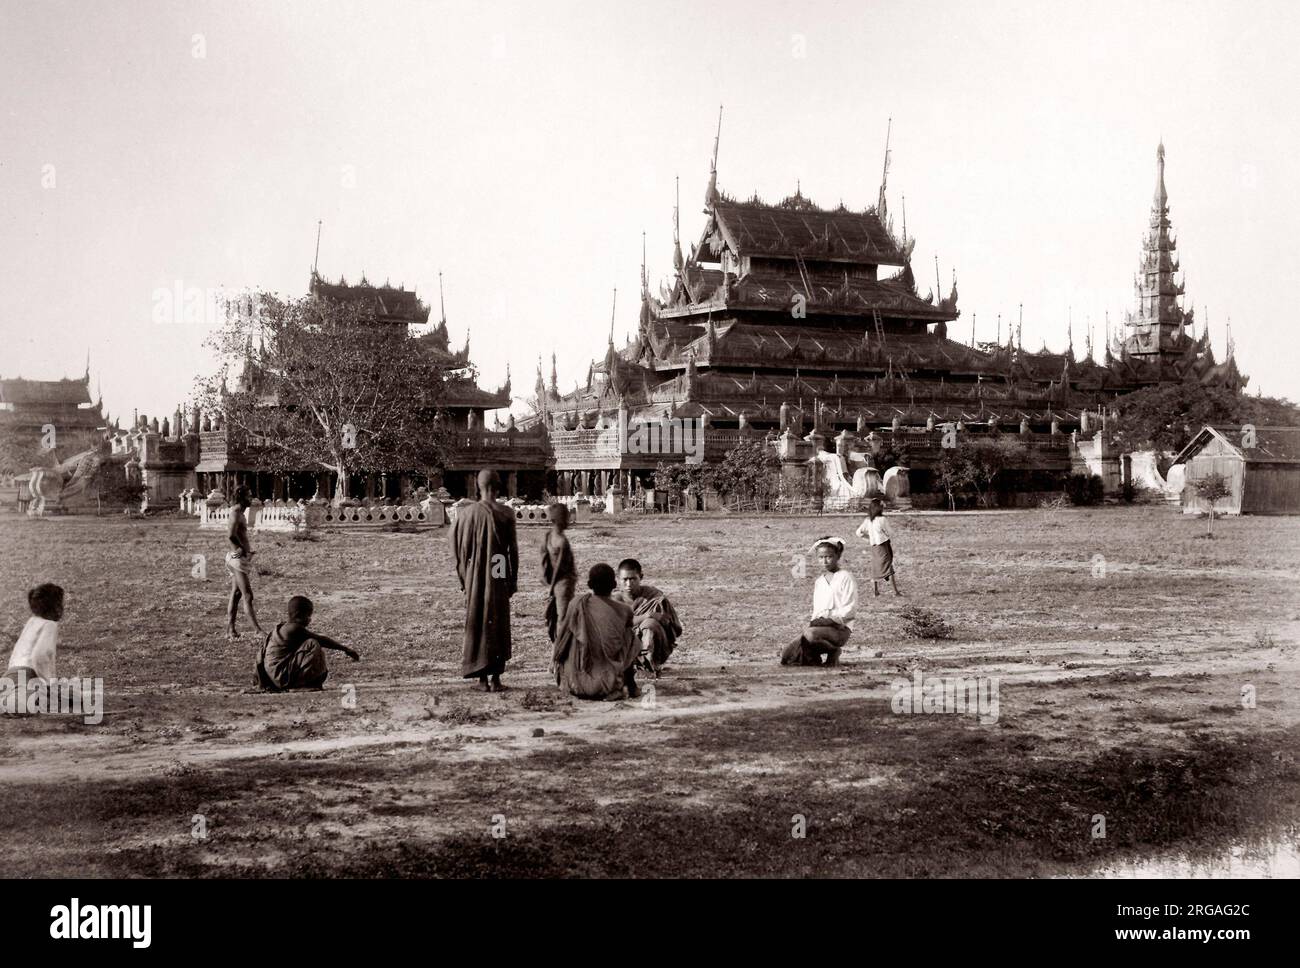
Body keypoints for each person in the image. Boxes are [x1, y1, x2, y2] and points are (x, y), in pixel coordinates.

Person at [450, 469, 519, 692]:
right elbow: (512, 552)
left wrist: (464, 579)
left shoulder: (466, 514)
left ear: (477, 487)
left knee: (479, 618)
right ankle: (496, 679)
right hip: (497, 568)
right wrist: (511, 580)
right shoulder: (506, 513)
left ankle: (482, 680)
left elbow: (460, 552)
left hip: (475, 573)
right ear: (498, 487)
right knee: (497, 619)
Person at [553, 563, 640, 700]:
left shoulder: (576, 604)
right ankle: (631, 685)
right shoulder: (624, 611)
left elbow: (561, 643)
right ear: (614, 584)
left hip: (574, 684)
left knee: (571, 635)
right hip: (607, 684)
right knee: (633, 639)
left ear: (589, 584)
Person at [780, 537, 857, 667]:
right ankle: (814, 655)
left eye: (829, 556)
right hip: (821, 628)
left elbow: (850, 610)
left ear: (838, 556)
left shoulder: (846, 577)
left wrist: (830, 620)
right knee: (787, 654)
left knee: (810, 635)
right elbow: (817, 610)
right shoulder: (819, 582)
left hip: (839, 629)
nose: (825, 561)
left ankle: (834, 651)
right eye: (821, 557)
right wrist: (815, 622)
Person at [256, 595, 360, 691]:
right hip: (281, 677)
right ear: (300, 615)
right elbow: (322, 640)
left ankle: (298, 682)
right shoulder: (294, 628)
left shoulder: (282, 627)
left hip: (274, 677)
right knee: (312, 644)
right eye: (308, 615)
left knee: (307, 645)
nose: (310, 619)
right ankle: (302, 684)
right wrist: (345, 649)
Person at [614, 558, 682, 676]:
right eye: (625, 579)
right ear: (618, 579)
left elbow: (674, 627)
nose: (629, 584)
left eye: (633, 579)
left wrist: (662, 620)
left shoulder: (654, 596)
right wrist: (648, 615)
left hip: (653, 645)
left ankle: (649, 665)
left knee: (650, 624)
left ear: (641, 577)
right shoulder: (613, 601)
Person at [4, 583, 64, 685]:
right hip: (27, 678)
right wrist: (47, 683)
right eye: (60, 604)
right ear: (55, 607)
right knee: (71, 699)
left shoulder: (32, 622)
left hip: (8, 676)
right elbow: (39, 656)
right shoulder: (49, 624)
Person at [226, 485, 265, 640]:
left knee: (236, 594)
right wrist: (242, 549)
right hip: (237, 558)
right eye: (248, 496)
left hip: (240, 558)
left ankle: (230, 630)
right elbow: (230, 535)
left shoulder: (241, 512)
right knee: (247, 595)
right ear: (241, 497)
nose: (251, 498)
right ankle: (257, 630)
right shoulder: (236, 512)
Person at [541, 502, 576, 643]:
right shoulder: (562, 541)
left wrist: (548, 582)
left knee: (557, 617)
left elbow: (544, 563)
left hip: (556, 584)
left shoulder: (548, 536)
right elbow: (560, 567)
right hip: (563, 584)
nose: (568, 521)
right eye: (566, 518)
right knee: (564, 619)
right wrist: (552, 588)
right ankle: (560, 652)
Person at [855, 498, 901, 596]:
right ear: (878, 508)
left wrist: (869, 538)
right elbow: (891, 532)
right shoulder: (882, 519)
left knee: (875, 567)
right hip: (883, 546)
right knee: (888, 567)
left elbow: (858, 533)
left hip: (874, 547)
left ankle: (875, 591)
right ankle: (895, 592)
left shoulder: (868, 520)